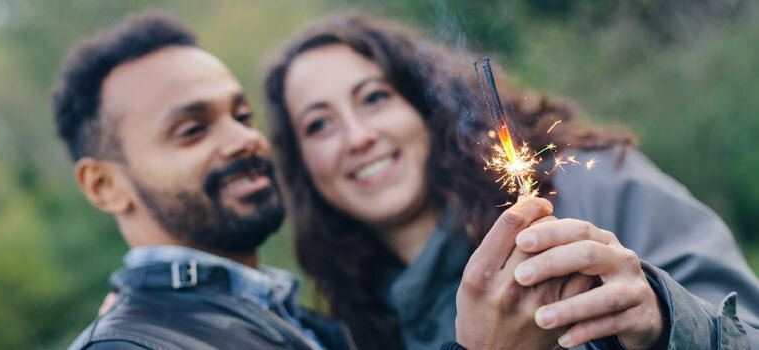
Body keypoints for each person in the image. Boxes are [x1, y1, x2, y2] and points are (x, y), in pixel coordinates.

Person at [262, 13, 759, 349]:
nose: (358, 136)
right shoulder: (346, 326)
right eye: (319, 124)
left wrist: (662, 321)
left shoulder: (594, 186)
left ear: (422, 106)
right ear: (302, 165)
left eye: (373, 97)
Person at [53, 13, 355, 350]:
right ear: (104, 186)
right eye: (192, 131)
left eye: (242, 116)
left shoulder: (296, 317)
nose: (244, 138)